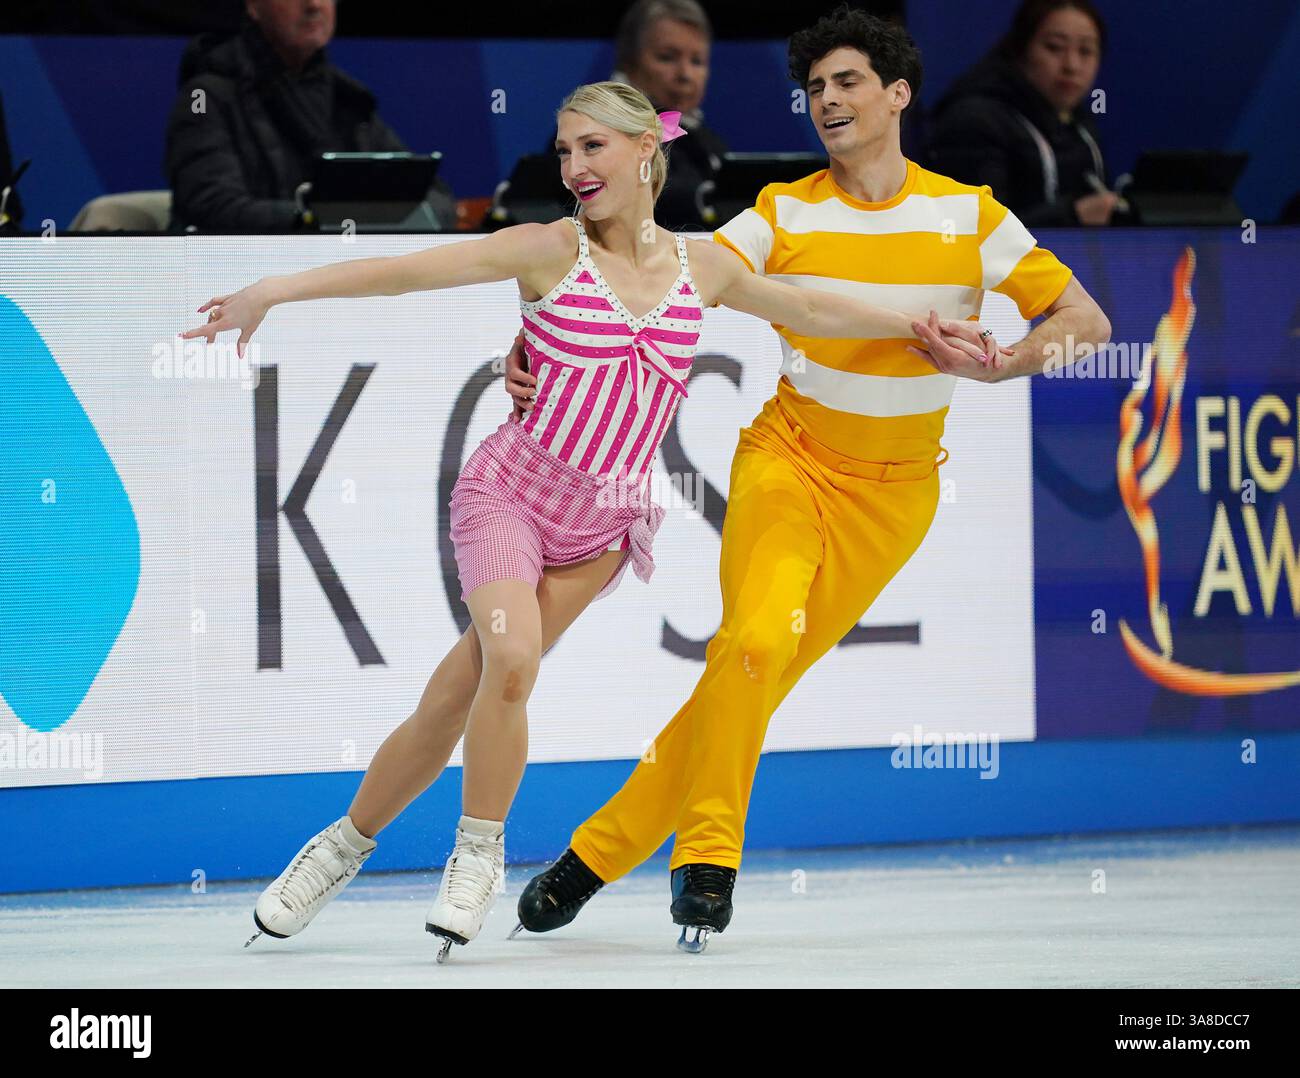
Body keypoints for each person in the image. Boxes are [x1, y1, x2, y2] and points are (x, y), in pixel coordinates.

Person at [181, 79, 1004, 960]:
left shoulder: (706, 265)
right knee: (513, 659)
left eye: (592, 148)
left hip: (602, 528)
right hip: (510, 497)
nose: (573, 166)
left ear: (647, 149)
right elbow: (403, 273)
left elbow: (806, 308)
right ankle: (476, 855)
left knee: (466, 691)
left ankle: (341, 846)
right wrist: (275, 288)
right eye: (563, 150)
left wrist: (917, 328)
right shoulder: (546, 250)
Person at [507, 6, 1111, 952]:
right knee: (750, 644)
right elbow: (676, 271)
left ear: (897, 93)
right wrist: (540, 327)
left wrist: (1006, 361)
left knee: (749, 680)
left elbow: (1087, 321)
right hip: (787, 461)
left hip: (897, 497)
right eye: (815, 88)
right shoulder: (783, 213)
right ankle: (708, 859)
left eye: (846, 83)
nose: (826, 100)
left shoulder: (971, 216)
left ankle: (590, 857)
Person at [164, 0, 455, 232]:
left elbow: (435, 198)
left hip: (333, 274)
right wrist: (321, 216)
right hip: (238, 277)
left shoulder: (346, 98)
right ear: (253, 5)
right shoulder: (206, 97)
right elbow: (212, 209)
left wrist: (346, 217)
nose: (314, 4)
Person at [926, 0, 1119, 227]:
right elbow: (976, 229)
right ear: (1020, 50)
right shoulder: (972, 121)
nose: (1072, 65)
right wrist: (1072, 215)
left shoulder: (1080, 125)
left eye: (1086, 51)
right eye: (1054, 47)